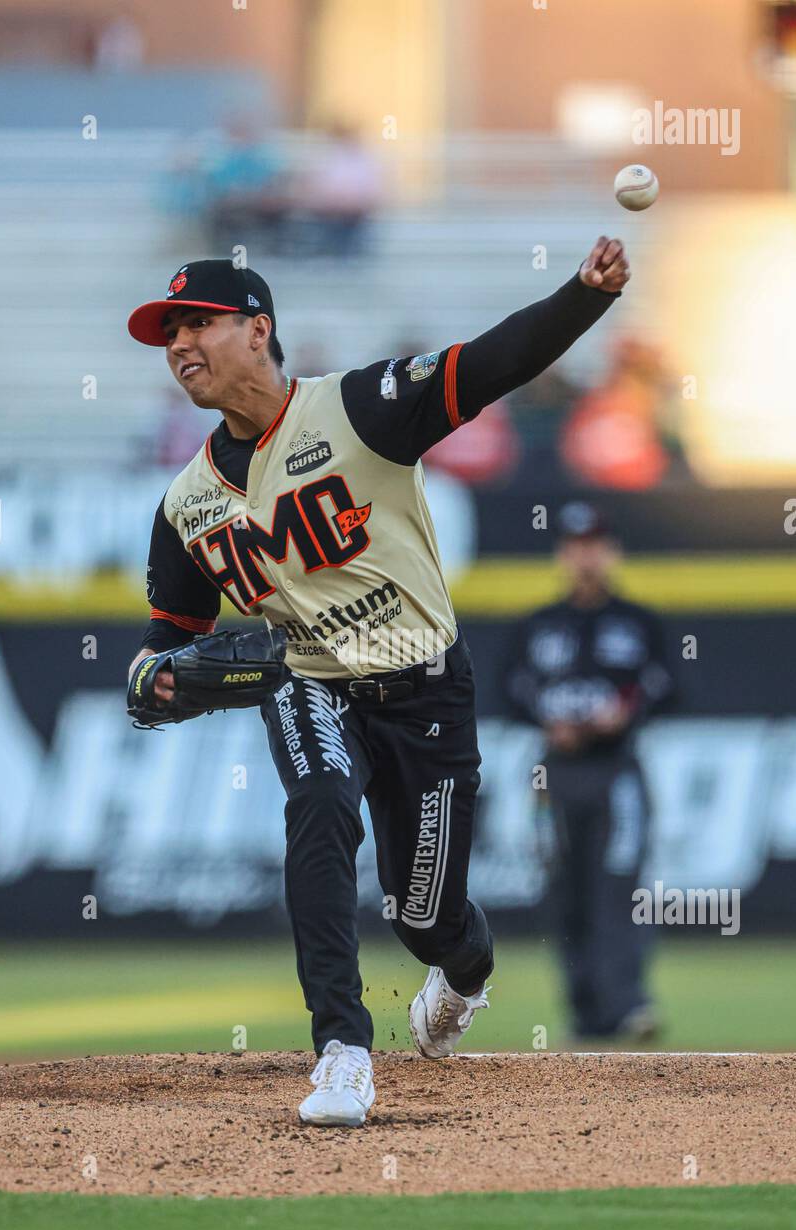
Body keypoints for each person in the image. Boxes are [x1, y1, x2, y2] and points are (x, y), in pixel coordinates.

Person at [126, 242, 629, 1126]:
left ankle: (464, 971)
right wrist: (154, 681)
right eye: (170, 332)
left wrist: (583, 296)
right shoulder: (185, 505)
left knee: (425, 916)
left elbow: (489, 365)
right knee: (319, 807)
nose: (180, 344)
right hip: (310, 681)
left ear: (258, 329)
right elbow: (166, 643)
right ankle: (343, 1052)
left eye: (198, 322)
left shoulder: (358, 410)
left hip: (429, 692)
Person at [506, 502, 673, 1042]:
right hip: (555, 776)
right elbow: (512, 689)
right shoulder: (539, 625)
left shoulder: (638, 622)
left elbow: (666, 685)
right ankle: (586, 1014)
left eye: (595, 544)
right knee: (565, 892)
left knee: (617, 887)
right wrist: (547, 720)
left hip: (616, 772)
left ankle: (630, 1003)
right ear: (562, 553)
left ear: (612, 551)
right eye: (575, 546)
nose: (585, 556)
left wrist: (622, 715)